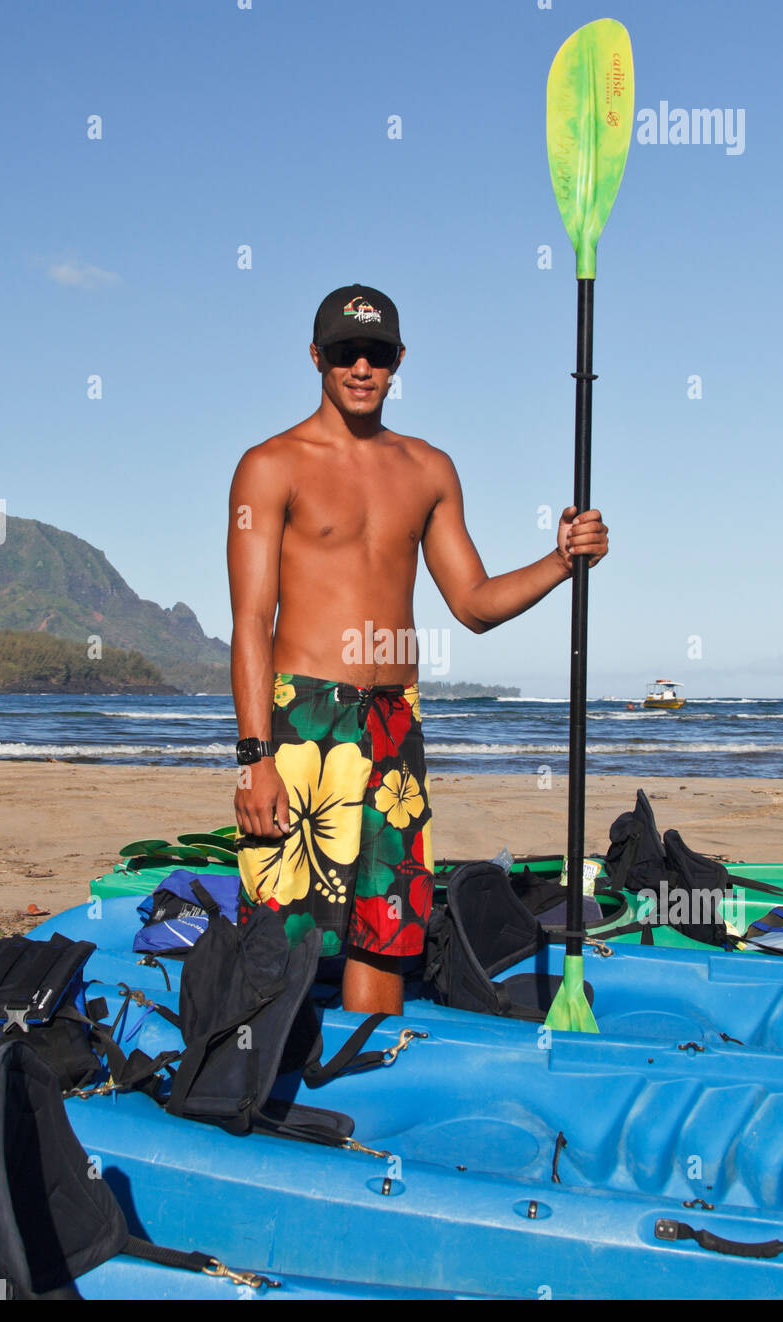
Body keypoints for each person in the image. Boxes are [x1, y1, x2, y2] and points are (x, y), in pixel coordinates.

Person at [228, 283, 608, 1015]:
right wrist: (254, 757)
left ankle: (374, 1071)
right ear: (317, 357)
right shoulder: (270, 465)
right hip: (303, 717)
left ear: (399, 360)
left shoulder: (429, 469)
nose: (361, 368)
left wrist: (563, 559)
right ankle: (258, 1087)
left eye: (376, 354)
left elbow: (473, 603)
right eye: (345, 353)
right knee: (282, 925)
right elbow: (251, 620)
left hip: (394, 724)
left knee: (386, 926)